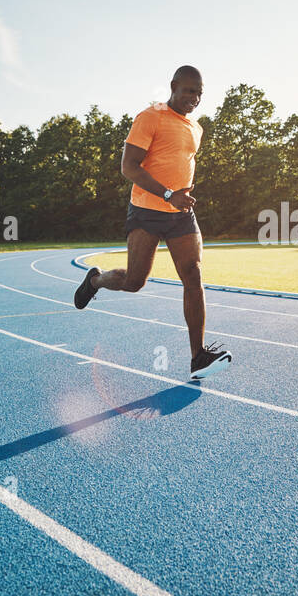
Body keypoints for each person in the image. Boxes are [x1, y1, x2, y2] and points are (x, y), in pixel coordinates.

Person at [73, 65, 232, 381]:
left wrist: (181, 194)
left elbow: (179, 162)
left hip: (181, 214)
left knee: (193, 273)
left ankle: (198, 356)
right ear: (173, 86)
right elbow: (129, 167)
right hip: (147, 211)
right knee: (135, 281)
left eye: (199, 93)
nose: (195, 98)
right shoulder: (150, 117)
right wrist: (169, 194)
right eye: (189, 91)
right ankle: (95, 281)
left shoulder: (196, 128)